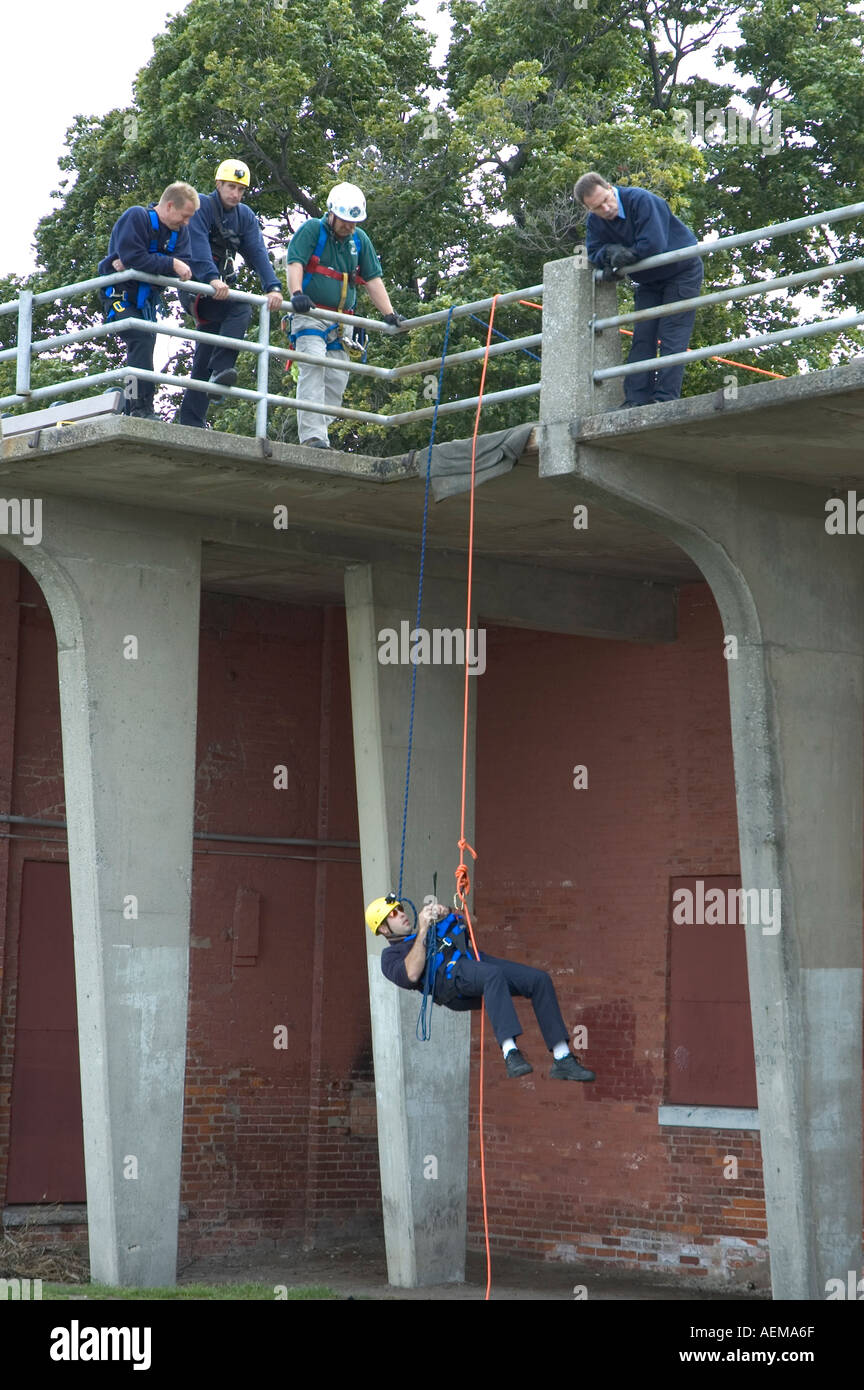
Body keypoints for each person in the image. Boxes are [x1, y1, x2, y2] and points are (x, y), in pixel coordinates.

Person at [366, 893, 596, 1081]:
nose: (402, 915)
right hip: (452, 982)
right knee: (492, 975)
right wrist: (423, 931)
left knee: (539, 980)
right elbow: (412, 973)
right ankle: (510, 1053)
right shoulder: (390, 958)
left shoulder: (431, 931)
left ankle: (562, 1057)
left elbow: (470, 920)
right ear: (384, 929)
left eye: (400, 909)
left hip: (473, 963)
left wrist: (446, 911)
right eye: (393, 914)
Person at [285, 182, 404, 449]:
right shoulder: (312, 230)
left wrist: (390, 314)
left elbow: (372, 278)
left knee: (337, 380)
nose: (349, 226)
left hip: (343, 322)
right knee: (314, 365)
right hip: (311, 314)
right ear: (331, 213)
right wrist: (296, 293)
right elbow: (295, 262)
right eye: (345, 221)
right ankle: (313, 437)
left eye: (354, 222)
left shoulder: (359, 240)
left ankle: (319, 432)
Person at [574, 172, 703, 408]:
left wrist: (621, 257)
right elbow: (593, 251)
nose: (606, 209)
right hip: (648, 280)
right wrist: (611, 253)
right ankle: (635, 400)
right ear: (588, 209)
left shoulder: (642, 200)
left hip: (681, 271)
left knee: (672, 337)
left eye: (606, 200)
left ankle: (664, 400)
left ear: (611, 188)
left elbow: (653, 244)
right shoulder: (595, 221)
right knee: (643, 337)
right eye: (597, 208)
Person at [176, 159, 284, 429]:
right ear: (218, 185)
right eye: (231, 187)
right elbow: (198, 247)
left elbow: (257, 253)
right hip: (198, 288)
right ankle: (222, 368)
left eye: (240, 189)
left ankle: (191, 420)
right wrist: (212, 278)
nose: (235, 194)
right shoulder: (202, 207)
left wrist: (273, 286)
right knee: (241, 308)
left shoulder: (244, 216)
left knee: (204, 356)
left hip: (219, 290)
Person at [98, 183, 198, 419]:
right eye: (184, 216)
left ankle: (134, 404)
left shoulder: (180, 233)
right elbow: (134, 256)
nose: (186, 223)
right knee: (140, 337)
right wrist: (168, 263)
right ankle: (140, 407)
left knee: (142, 349)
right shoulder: (136, 217)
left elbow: (184, 266)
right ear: (170, 206)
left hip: (146, 302)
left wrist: (144, 261)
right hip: (118, 296)